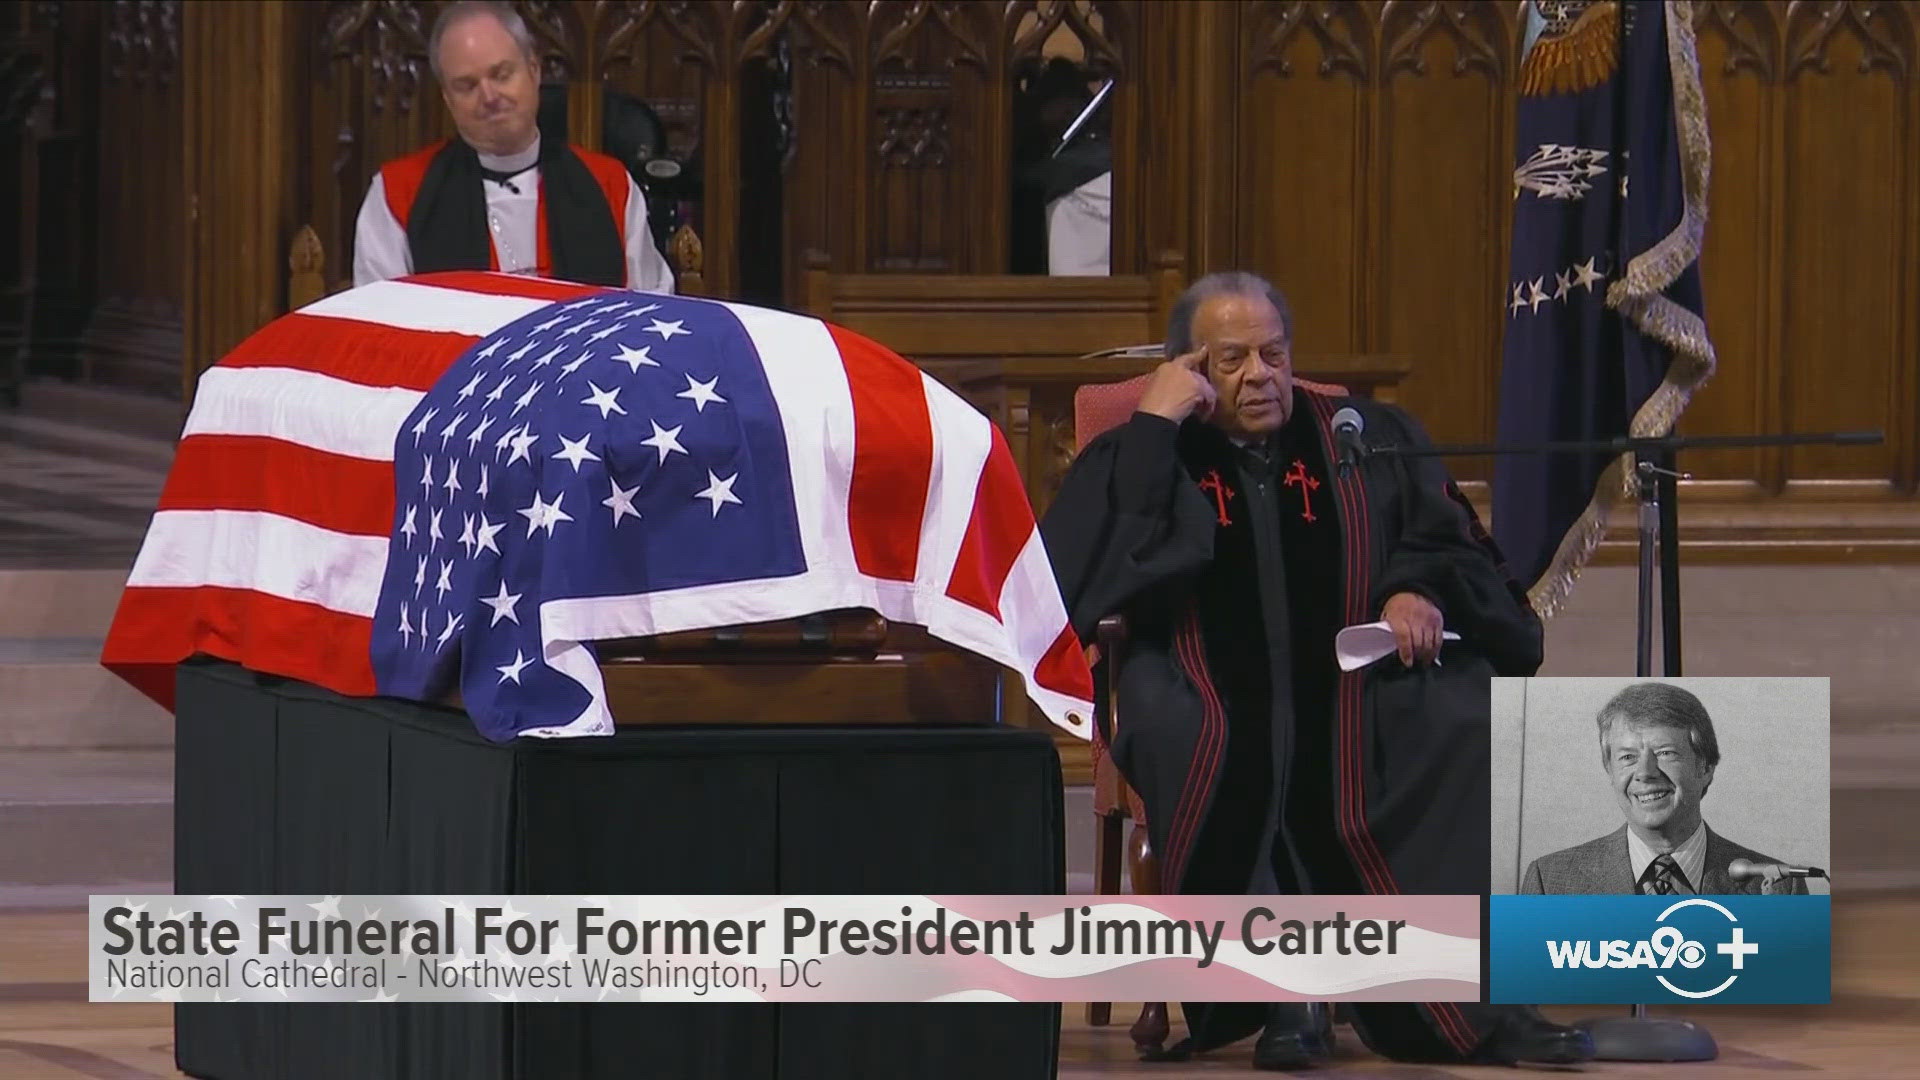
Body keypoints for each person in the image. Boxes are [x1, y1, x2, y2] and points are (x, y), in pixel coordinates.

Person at [1041, 272, 1593, 1070]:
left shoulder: (1361, 436)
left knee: (1464, 714)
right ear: (1188, 366)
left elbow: (1444, 537)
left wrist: (1415, 588)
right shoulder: (1147, 449)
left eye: (1274, 354)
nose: (1259, 376)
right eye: (1231, 359)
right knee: (1184, 728)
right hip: (1201, 673)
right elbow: (1077, 579)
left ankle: (1477, 1003)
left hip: (1352, 680)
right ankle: (1284, 995)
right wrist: (1156, 427)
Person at [351, 1, 675, 292]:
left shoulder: (611, 186)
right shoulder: (398, 194)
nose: (489, 96)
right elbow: (378, 322)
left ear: (534, 71)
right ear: (448, 100)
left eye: (502, 74)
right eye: (467, 85)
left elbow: (651, 307)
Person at [1520, 682, 1812, 895]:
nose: (1645, 773)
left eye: (1665, 753)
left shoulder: (1779, 887)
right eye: (1627, 757)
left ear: (1705, 768)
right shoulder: (1550, 882)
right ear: (1609, 770)